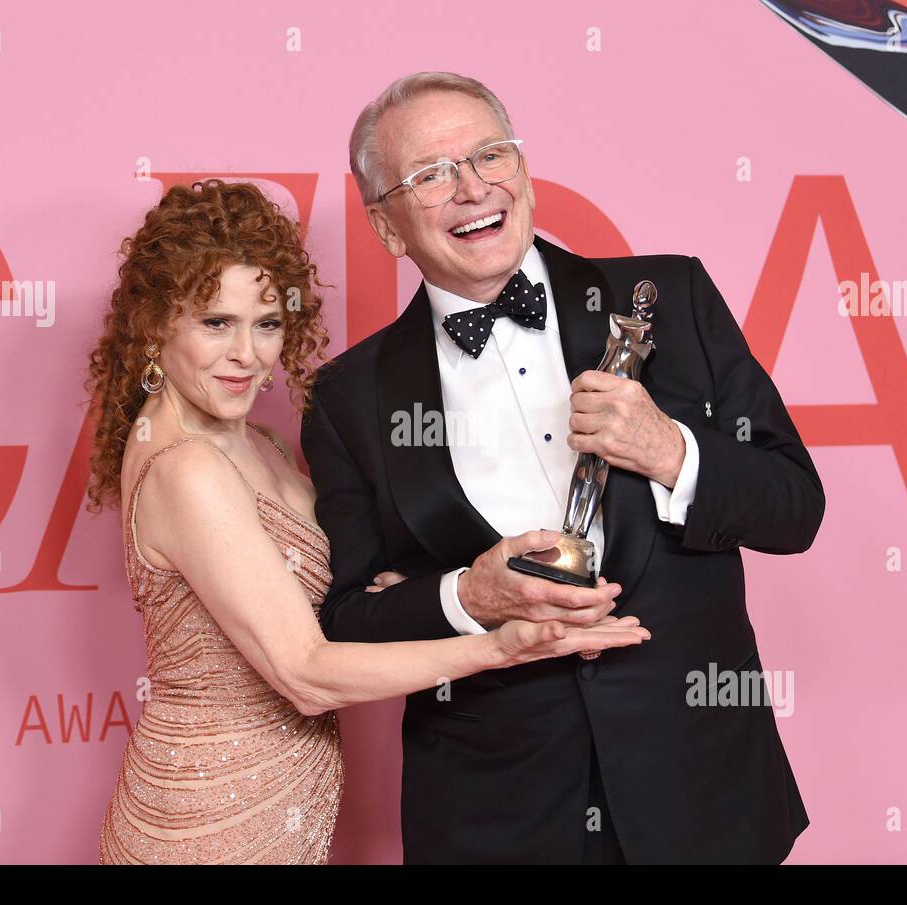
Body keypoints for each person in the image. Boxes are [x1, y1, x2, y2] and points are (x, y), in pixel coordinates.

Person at [300, 72, 826, 863]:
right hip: (497, 811)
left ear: (525, 172)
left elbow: (794, 506)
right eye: (431, 175)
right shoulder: (348, 397)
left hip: (701, 788)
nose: (472, 188)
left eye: (488, 155)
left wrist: (670, 449)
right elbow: (348, 616)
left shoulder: (668, 296)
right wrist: (465, 594)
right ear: (386, 225)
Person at [85, 179, 648, 864]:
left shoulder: (253, 443)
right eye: (214, 323)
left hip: (282, 802)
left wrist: (401, 588)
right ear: (154, 323)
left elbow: (307, 601)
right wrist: (503, 645)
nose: (247, 355)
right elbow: (306, 672)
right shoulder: (187, 470)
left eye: (265, 323)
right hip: (207, 821)